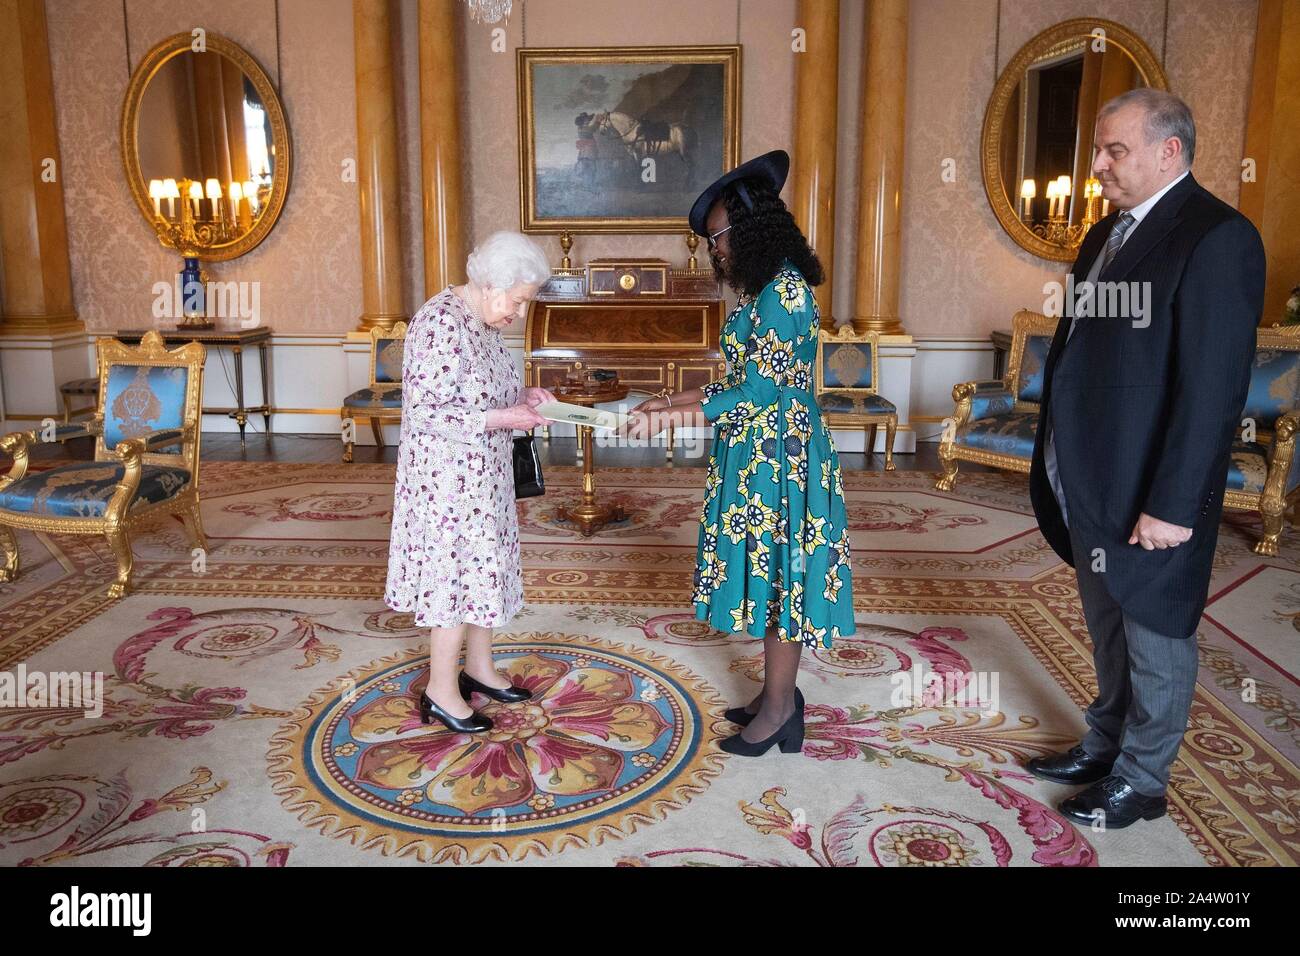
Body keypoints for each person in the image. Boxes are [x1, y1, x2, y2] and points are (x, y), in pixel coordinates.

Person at [1027, 90, 1265, 828]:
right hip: (1095, 476)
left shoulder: (1217, 237)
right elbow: (1083, 353)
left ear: (1170, 151)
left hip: (1152, 490)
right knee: (1106, 623)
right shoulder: (1105, 234)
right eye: (1099, 150)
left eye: (1114, 151)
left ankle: (1143, 779)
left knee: (1157, 632)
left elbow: (1213, 389)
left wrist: (1174, 501)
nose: (1097, 166)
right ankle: (1104, 744)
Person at [626, 150, 855, 756]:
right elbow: (738, 379)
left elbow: (760, 392)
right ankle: (774, 694)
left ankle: (781, 709)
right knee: (770, 571)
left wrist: (672, 419)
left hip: (781, 460)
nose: (715, 253)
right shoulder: (766, 290)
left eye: (718, 238)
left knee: (783, 577)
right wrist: (664, 398)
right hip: (756, 451)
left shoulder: (784, 292)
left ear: (751, 227)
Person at [384, 231, 555, 733]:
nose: (520, 314)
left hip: (485, 475)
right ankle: (441, 690)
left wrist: (527, 394)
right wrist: (505, 418)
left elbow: (483, 388)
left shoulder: (483, 319)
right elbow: (427, 414)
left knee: (486, 568)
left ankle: (479, 669)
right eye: (519, 302)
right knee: (453, 577)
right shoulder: (439, 323)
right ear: (491, 284)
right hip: (447, 482)